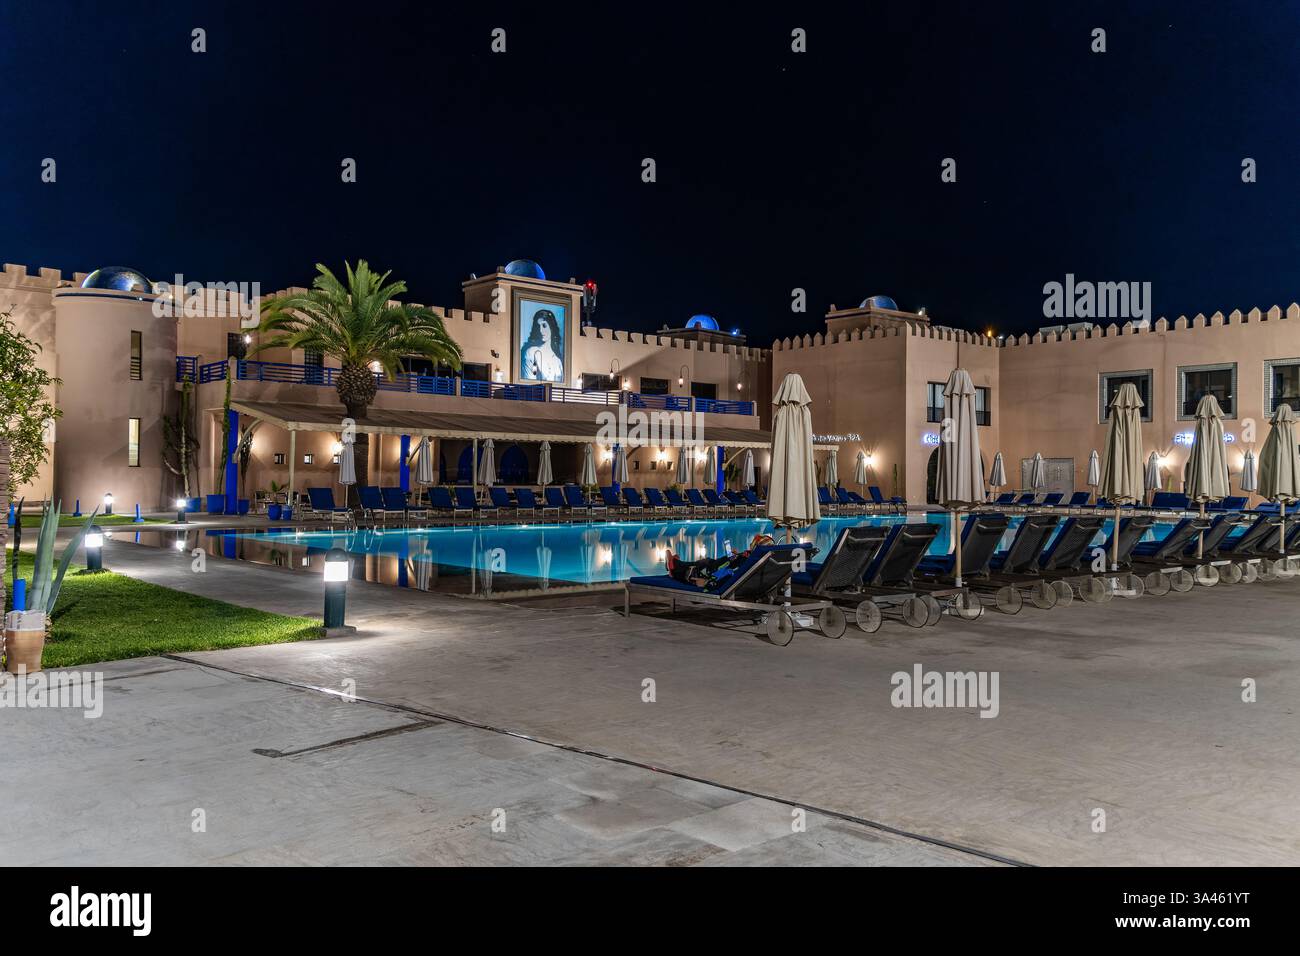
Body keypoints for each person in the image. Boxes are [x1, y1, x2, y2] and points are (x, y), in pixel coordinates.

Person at [666, 533, 776, 588]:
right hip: (719, 565)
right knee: (705, 562)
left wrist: (708, 582)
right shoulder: (764, 561)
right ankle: (677, 564)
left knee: (703, 564)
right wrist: (735, 556)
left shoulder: (746, 560)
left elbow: (727, 574)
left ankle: (674, 566)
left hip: (710, 571)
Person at [522, 309, 564, 382]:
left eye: (544, 326)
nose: (541, 330)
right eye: (538, 326)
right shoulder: (531, 352)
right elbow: (529, 383)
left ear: (551, 327)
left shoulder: (558, 361)